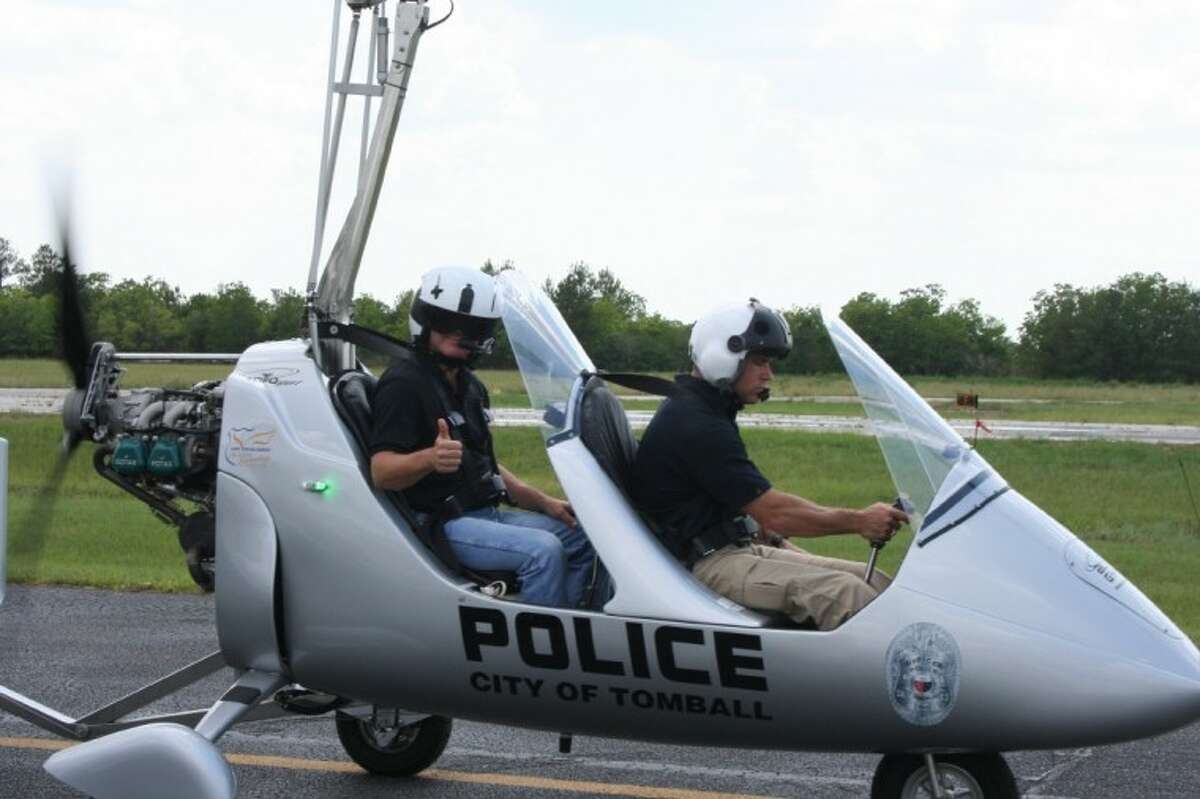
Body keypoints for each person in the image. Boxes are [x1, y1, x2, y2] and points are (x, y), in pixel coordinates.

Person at [631, 298, 907, 630]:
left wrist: (772, 539)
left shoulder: (705, 410)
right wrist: (859, 521)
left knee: (876, 581)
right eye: (760, 361)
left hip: (734, 549)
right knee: (846, 593)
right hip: (705, 565)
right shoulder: (696, 422)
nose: (769, 374)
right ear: (724, 356)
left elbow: (749, 507)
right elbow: (774, 512)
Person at [369, 266, 597, 608]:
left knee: (584, 537)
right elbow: (382, 471)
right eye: (451, 328)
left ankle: (579, 625)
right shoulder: (404, 384)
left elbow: (483, 464)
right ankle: (541, 648)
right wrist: (429, 459)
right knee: (543, 552)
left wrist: (542, 501)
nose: (464, 338)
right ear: (427, 323)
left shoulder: (470, 386)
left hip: (485, 512)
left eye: (475, 330)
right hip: (443, 523)